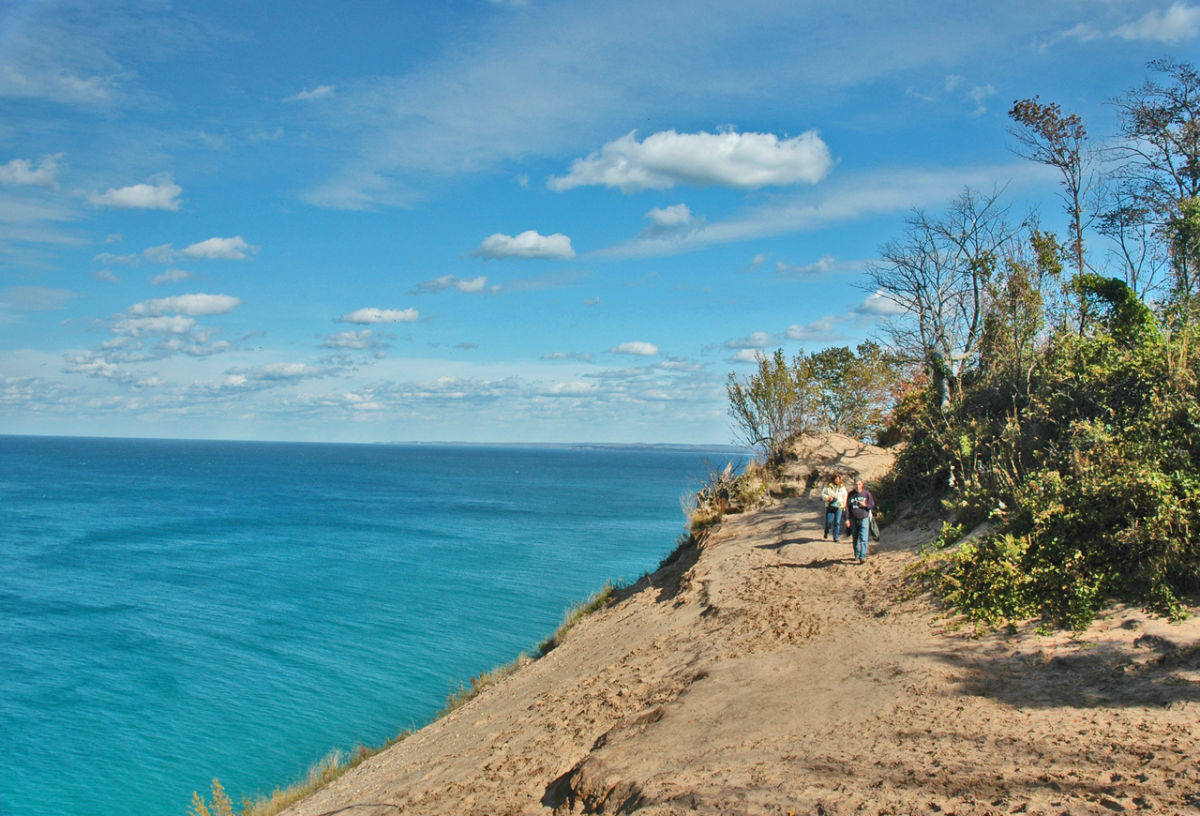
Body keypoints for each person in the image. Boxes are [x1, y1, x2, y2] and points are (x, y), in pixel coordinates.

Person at [844, 479, 876, 563]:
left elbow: (872, 504)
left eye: (859, 484)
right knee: (855, 538)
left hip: (864, 518)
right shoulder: (851, 494)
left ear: (862, 485)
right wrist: (847, 519)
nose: (857, 486)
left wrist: (865, 505)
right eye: (856, 484)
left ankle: (863, 556)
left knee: (864, 538)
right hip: (853, 519)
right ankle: (857, 555)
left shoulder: (866, 494)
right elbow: (847, 507)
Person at [820, 475, 847, 541]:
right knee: (829, 521)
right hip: (830, 506)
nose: (836, 480)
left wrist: (843, 505)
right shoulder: (828, 486)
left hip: (839, 507)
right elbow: (823, 494)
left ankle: (836, 537)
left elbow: (845, 496)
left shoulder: (842, 487)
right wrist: (828, 498)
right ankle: (827, 532)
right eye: (835, 479)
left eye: (838, 479)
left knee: (837, 522)